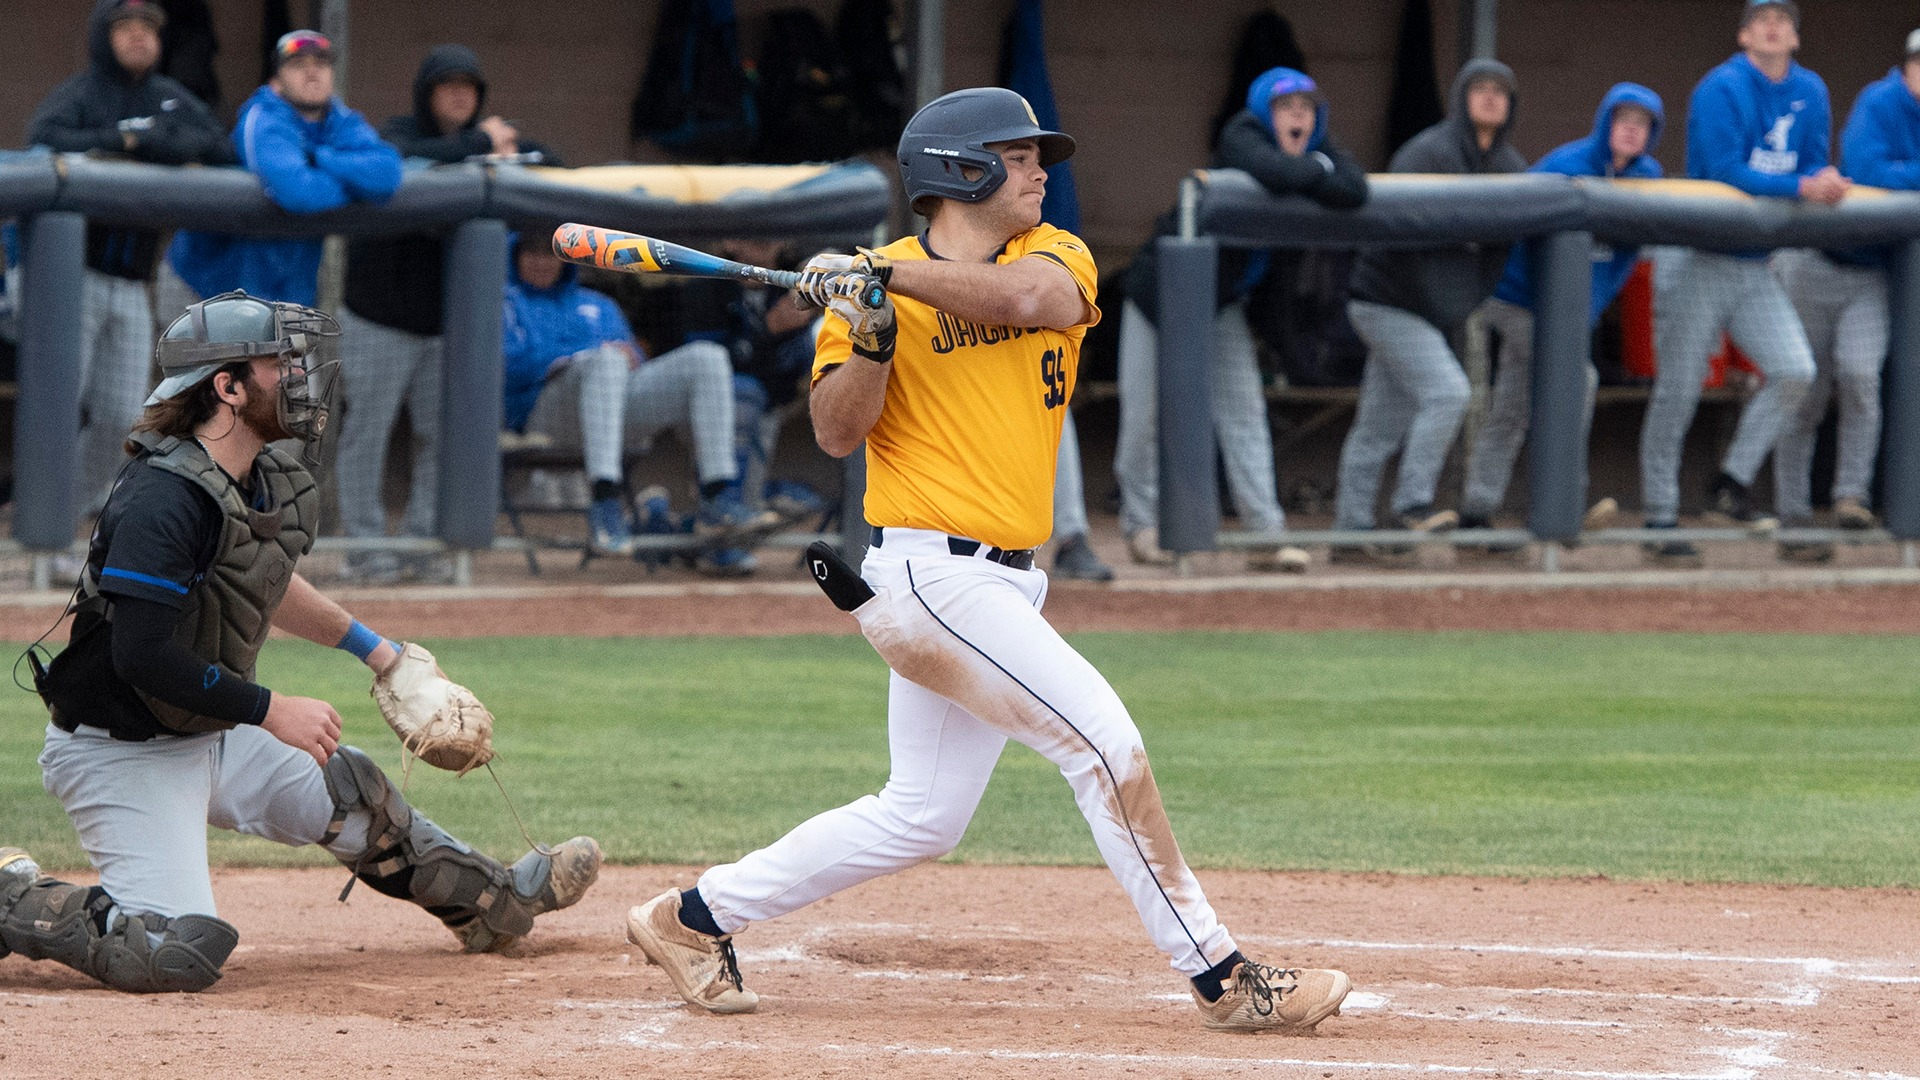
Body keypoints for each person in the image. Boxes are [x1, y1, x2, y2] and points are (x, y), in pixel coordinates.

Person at [621, 87, 1352, 1033]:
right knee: (1103, 746)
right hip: (932, 575)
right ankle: (1224, 976)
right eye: (1016, 155)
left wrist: (886, 279)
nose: (1041, 170)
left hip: (1006, 577)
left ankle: (690, 917)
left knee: (922, 815)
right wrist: (871, 334)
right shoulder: (868, 297)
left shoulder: (1053, 254)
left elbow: (1031, 302)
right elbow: (839, 433)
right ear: (958, 170)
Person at [0, 292, 599, 994]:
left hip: (207, 728)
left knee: (354, 795)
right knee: (171, 954)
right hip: (122, 749)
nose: (299, 377)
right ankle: (11, 897)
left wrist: (380, 653)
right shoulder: (162, 497)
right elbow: (141, 656)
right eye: (278, 364)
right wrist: (270, 709)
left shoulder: (254, 478)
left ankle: (496, 902)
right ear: (226, 386)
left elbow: (259, 581)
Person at [1116, 68, 1367, 573]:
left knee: (1245, 412)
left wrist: (1315, 165)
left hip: (1221, 301)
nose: (1298, 115)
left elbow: (1355, 189)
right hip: (1161, 292)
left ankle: (1263, 535)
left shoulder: (1321, 147)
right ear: (1264, 112)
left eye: (1306, 107)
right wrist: (1318, 171)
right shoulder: (1241, 134)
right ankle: (1140, 526)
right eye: (1285, 106)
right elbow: (1275, 173)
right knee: (1145, 416)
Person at [334, 45, 558, 585]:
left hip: (443, 330)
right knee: (369, 432)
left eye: (469, 86)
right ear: (427, 93)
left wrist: (505, 154)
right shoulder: (395, 133)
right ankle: (365, 551)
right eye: (447, 85)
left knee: (441, 437)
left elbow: (553, 166)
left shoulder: (489, 139)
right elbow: (402, 166)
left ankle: (419, 544)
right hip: (377, 319)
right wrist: (479, 146)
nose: (459, 94)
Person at [27, 0, 235, 517]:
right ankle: (38, 527)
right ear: (104, 37)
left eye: (149, 29)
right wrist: (118, 138)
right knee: (56, 407)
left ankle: (62, 516)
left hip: (132, 282)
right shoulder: (79, 95)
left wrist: (145, 143)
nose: (140, 37)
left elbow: (217, 144)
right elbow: (44, 140)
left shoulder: (169, 97)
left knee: (122, 414)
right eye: (127, 28)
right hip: (73, 276)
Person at [1638, 0, 1827, 566]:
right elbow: (1722, 170)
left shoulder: (1811, 90)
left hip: (1752, 265)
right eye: (1761, 20)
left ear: (1794, 37)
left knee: (1796, 371)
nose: (1773, 28)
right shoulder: (1720, 85)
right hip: (1696, 256)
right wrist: (1801, 188)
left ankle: (1730, 482)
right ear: (1745, 35)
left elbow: (1814, 162)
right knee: (1679, 391)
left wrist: (1823, 182)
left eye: (1783, 21)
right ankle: (1659, 518)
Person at [1456, 83, 1666, 549]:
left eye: (1642, 124)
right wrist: (1567, 317)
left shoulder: (1647, 177)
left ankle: (1477, 512)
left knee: (1512, 405)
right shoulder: (1568, 165)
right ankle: (1563, 504)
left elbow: (1622, 262)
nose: (1631, 131)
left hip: (1566, 310)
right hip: (1515, 297)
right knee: (1576, 381)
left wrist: (1581, 314)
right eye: (1623, 120)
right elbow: (1515, 227)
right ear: (1605, 123)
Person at [1333, 59, 1525, 566]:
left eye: (1500, 92)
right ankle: (1412, 505)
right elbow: (1401, 234)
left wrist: (1460, 294)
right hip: (1384, 300)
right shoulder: (1429, 149)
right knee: (1449, 392)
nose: (1489, 98)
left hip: (1428, 312)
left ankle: (1349, 535)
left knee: (1376, 428)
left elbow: (1501, 247)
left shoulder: (1508, 166)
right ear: (1461, 97)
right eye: (1479, 89)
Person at [502, 234, 777, 569]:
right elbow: (507, 366)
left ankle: (716, 495)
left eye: (550, 254)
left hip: (607, 413)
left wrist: (627, 355)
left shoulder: (598, 304)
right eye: (532, 253)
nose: (542, 262)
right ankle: (605, 502)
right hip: (545, 415)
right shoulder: (505, 301)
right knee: (605, 360)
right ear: (515, 257)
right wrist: (582, 357)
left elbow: (635, 363)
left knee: (707, 356)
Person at [1770, 28, 1920, 560]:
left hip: (1874, 276)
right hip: (1819, 261)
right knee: (1805, 393)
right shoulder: (1879, 102)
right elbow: (1868, 168)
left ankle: (1850, 495)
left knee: (1860, 378)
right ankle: (1792, 513)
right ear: (1907, 66)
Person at [165, 30, 402, 308]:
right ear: (276, 82)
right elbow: (298, 193)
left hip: (287, 291)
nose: (313, 73)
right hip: (208, 284)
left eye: (322, 64)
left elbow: (388, 173)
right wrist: (356, 186)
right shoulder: (263, 116)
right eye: (299, 65)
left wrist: (320, 157)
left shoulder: (339, 120)